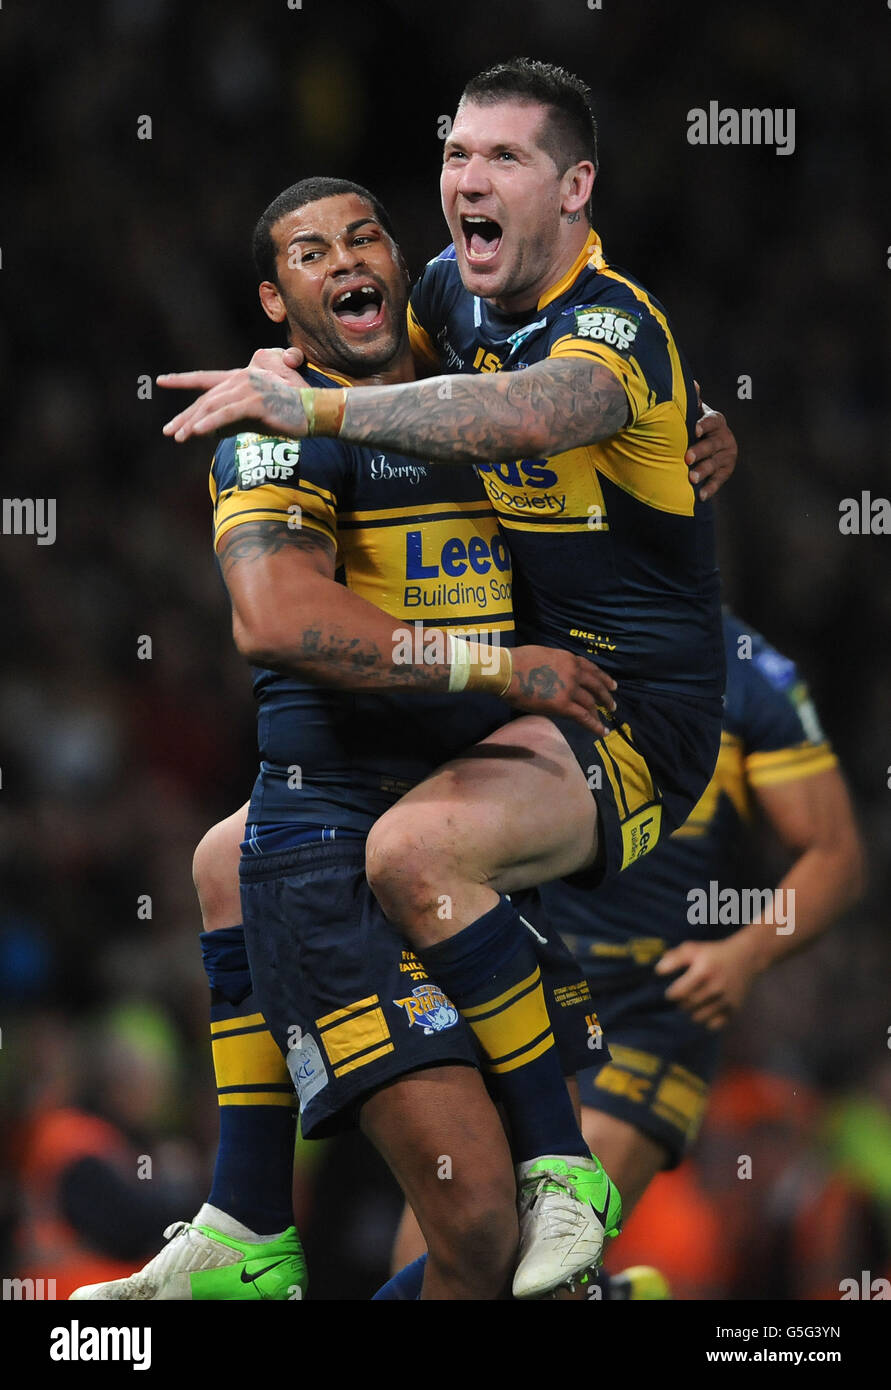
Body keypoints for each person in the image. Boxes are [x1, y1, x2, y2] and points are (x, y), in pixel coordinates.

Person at [160, 58, 733, 1295]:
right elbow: (364, 353)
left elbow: (518, 419)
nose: (467, 181)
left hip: (634, 716)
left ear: (577, 188)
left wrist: (302, 417)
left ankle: (561, 1173)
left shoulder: (613, 328)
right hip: (515, 703)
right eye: (456, 155)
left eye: (506, 159)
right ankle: (245, 1215)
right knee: (224, 859)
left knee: (413, 854)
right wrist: (293, 383)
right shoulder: (445, 296)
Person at [75, 176, 655, 1302]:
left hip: (459, 832)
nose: (345, 259)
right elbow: (278, 619)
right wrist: (498, 664)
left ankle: (246, 1216)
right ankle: (249, 1216)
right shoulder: (273, 431)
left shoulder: (478, 394)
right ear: (275, 304)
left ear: (403, 260)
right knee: (482, 1226)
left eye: (364, 235)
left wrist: (696, 428)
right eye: (308, 252)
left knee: (509, 1257)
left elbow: (606, 401)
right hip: (340, 858)